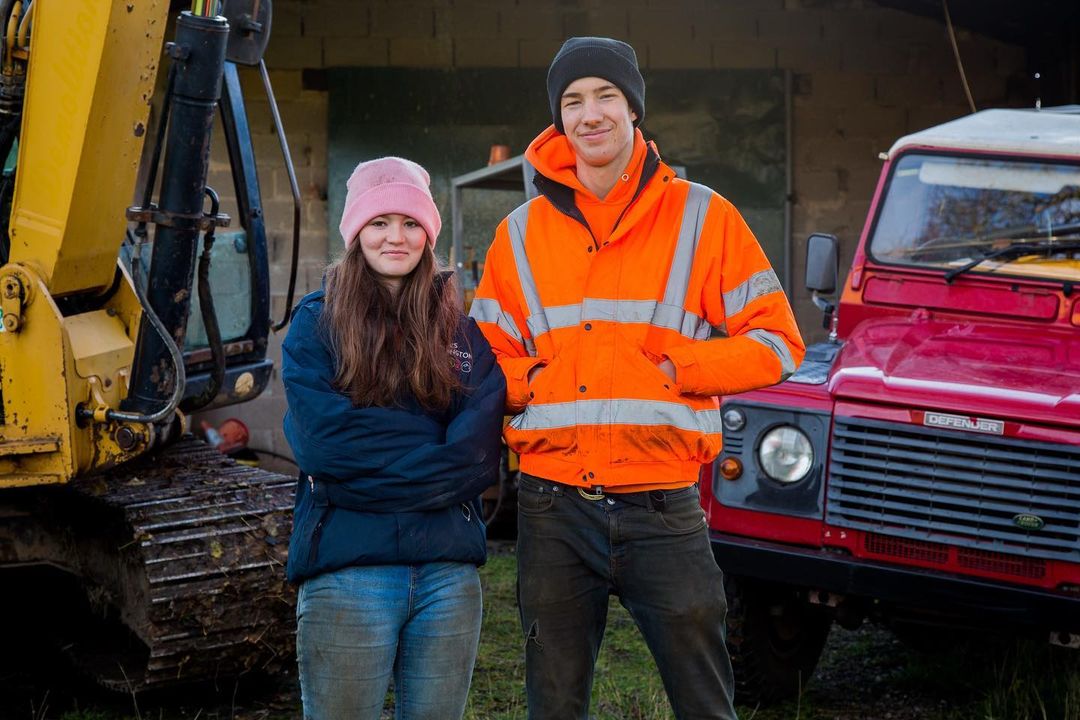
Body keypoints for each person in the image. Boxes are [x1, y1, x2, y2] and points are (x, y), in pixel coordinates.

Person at [469, 37, 805, 720]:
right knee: (554, 704)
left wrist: (687, 367)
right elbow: (483, 360)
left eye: (605, 96)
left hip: (663, 506)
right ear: (558, 119)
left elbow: (778, 344)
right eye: (572, 101)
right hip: (552, 507)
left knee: (705, 704)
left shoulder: (704, 216)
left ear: (633, 109)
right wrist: (535, 381)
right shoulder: (519, 234)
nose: (590, 114)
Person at [281, 156, 506, 720]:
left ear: (428, 236)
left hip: (447, 581)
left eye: (410, 223)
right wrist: (433, 457)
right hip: (350, 575)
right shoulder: (316, 323)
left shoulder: (460, 332)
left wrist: (374, 471)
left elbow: (478, 453)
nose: (395, 237)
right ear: (357, 233)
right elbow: (324, 444)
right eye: (379, 223)